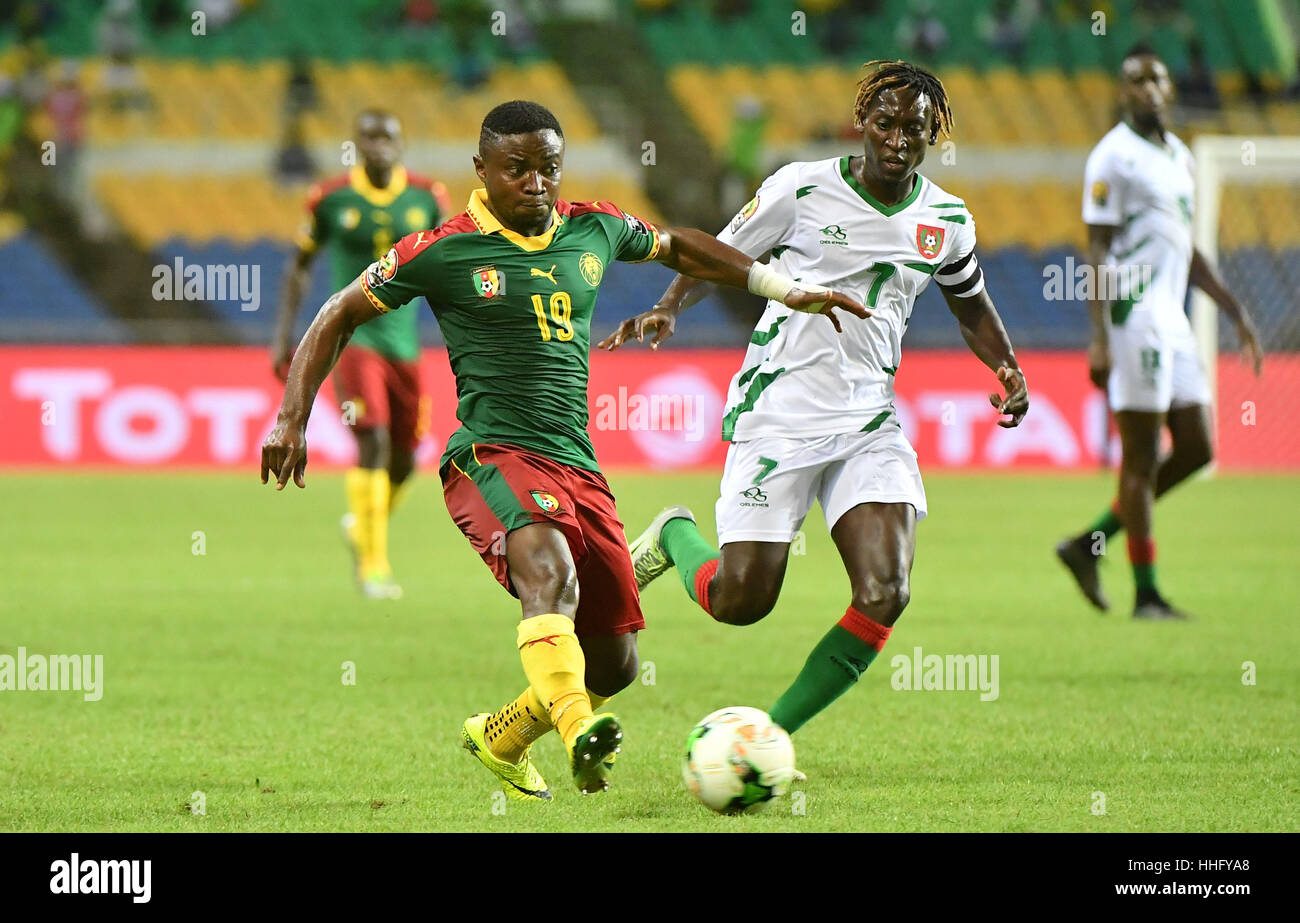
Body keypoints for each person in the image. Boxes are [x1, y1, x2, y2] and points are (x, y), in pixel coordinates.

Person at [260, 100, 868, 799]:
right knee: (550, 578)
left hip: (577, 463)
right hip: (490, 456)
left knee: (615, 664)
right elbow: (338, 310)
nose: (535, 182)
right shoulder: (443, 249)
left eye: (548, 166)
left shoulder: (596, 229)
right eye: (516, 169)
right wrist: (291, 415)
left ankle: (502, 736)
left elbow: (679, 245)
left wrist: (783, 288)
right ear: (481, 170)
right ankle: (581, 733)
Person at [604, 60, 1028, 740]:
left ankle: (766, 736)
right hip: (779, 412)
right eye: (885, 124)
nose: (896, 140)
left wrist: (1007, 367)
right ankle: (672, 536)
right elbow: (718, 252)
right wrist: (668, 306)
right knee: (740, 600)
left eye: (913, 130)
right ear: (861, 122)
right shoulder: (800, 188)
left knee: (886, 591)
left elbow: (970, 304)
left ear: (932, 134)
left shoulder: (947, 220)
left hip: (868, 421)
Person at [1055, 45, 1263, 619]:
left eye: (1155, 79)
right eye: (1135, 81)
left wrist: (1232, 307)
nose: (1147, 88)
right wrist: (1098, 337)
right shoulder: (1112, 158)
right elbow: (1095, 249)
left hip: (1173, 316)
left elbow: (1183, 244)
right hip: (1132, 314)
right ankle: (1146, 592)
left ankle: (1085, 545)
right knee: (1141, 462)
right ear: (1124, 92)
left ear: (1169, 90)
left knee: (1197, 448)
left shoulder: (1179, 156)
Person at [270, 109, 450, 599]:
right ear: (355, 143)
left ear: (400, 143)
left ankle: (362, 527)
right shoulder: (330, 199)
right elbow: (299, 268)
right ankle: (374, 565)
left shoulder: (427, 197)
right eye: (368, 137)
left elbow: (448, 267)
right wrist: (283, 336)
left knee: (408, 458)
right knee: (370, 440)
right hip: (354, 340)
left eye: (387, 136)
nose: (378, 145)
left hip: (405, 345)